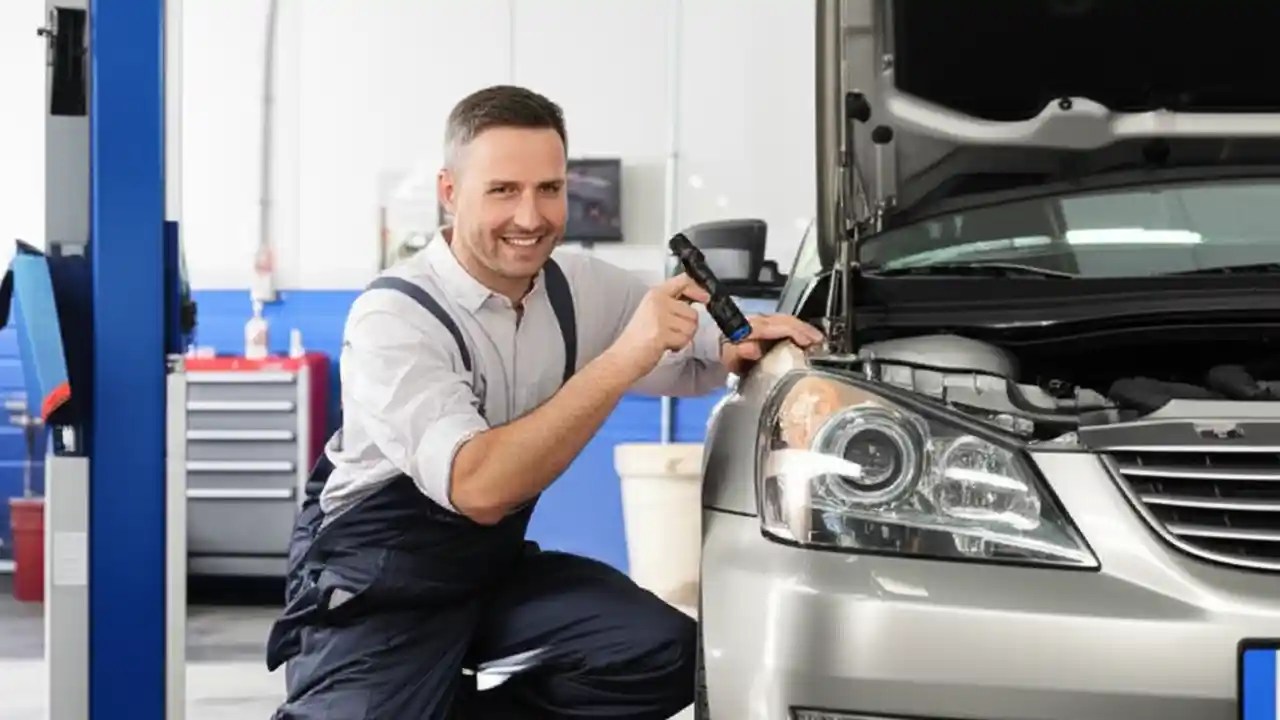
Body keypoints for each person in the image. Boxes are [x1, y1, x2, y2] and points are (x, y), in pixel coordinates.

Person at [265, 84, 823, 719]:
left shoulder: (578, 286)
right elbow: (477, 488)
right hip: (381, 583)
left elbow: (703, 349)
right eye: (503, 190)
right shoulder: (393, 318)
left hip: (489, 571)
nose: (530, 217)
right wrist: (620, 361)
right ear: (450, 193)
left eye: (549, 189)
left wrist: (747, 340)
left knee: (660, 653)